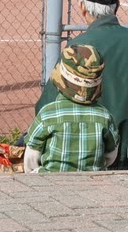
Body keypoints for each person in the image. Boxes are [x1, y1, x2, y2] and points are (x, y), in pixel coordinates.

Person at [32, 0, 128, 168]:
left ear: (82, 7)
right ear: (117, 6)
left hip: (94, 156)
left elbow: (45, 107)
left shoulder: (77, 49)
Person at [23, 43, 119, 172]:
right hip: (93, 182)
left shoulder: (47, 113)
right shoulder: (104, 116)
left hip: (50, 180)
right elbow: (111, 155)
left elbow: (31, 158)